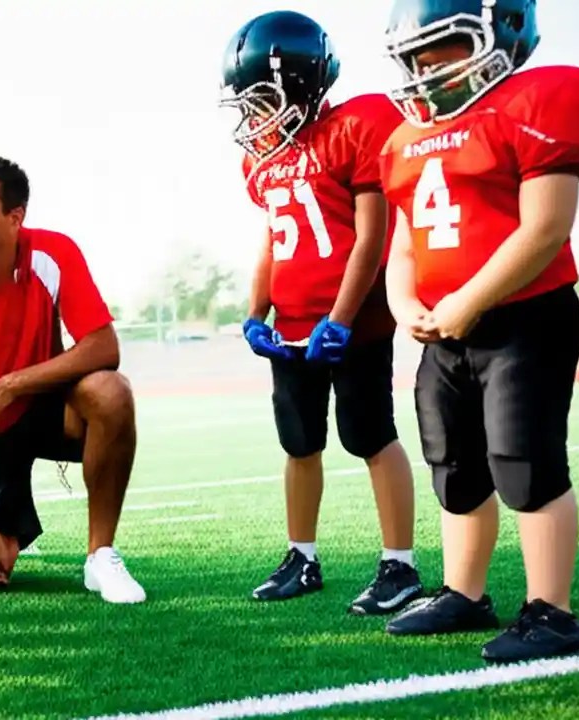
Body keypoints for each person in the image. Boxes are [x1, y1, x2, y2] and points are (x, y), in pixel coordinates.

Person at [377, 0, 579, 663]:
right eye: (414, 55)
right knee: (454, 465)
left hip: (522, 318)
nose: (424, 68)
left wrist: (470, 298)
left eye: (443, 47)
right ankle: (464, 590)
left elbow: (545, 227)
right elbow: (405, 241)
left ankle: (552, 608)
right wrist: (404, 303)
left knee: (524, 459)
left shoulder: (536, 102)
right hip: (442, 334)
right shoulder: (406, 138)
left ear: (501, 32)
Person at [218, 11, 423, 614]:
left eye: (262, 98)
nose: (253, 114)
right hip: (293, 328)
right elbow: (273, 239)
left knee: (371, 436)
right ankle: (302, 557)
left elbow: (371, 235)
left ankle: (400, 565)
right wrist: (257, 311)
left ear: (303, 84)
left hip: (352, 323)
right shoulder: (261, 155)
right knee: (299, 443)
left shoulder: (357, 125)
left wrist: (341, 317)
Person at [0, 156, 145, 604]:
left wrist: (13, 384)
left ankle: (101, 557)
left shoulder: (53, 255)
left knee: (112, 392)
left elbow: (103, 347)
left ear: (15, 217)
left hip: (44, 410)